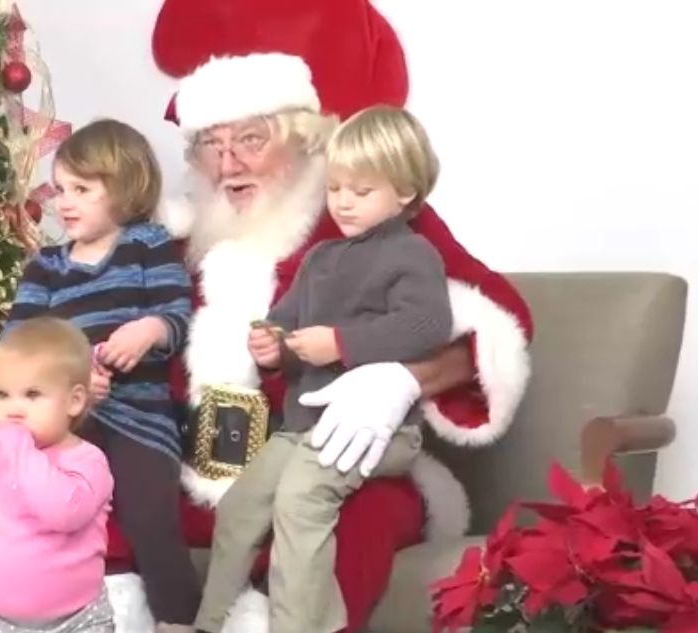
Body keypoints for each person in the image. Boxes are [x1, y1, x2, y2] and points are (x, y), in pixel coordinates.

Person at [100, 2, 535, 632]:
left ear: (306, 135)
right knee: (87, 492)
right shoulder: (182, 243)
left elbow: (500, 318)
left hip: (343, 459)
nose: (228, 166)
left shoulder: (364, 220)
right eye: (211, 146)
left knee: (331, 521)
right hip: (202, 477)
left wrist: (407, 380)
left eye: (251, 139)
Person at [195, 105, 453, 633]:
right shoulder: (322, 259)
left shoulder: (413, 254)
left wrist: (340, 343)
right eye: (336, 189)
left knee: (300, 501)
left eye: (362, 191)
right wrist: (273, 344)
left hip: (374, 432)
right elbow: (287, 323)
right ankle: (209, 622)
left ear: (404, 192)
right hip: (304, 426)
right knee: (241, 506)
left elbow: (427, 325)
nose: (344, 203)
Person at [6, 119, 202, 632]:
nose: (64, 203)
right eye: (61, 189)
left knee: (149, 515)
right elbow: (20, 347)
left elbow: (178, 318)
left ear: (123, 188)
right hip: (65, 419)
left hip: (141, 417)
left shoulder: (147, 246)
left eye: (82, 190)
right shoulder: (46, 267)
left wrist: (150, 328)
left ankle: (178, 620)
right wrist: (70, 378)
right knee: (32, 500)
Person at [0, 317, 116, 633]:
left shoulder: (88, 461)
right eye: (3, 395)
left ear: (74, 401)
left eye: (32, 394)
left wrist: (20, 449)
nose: (13, 409)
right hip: (3, 623)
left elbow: (63, 513)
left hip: (78, 623)